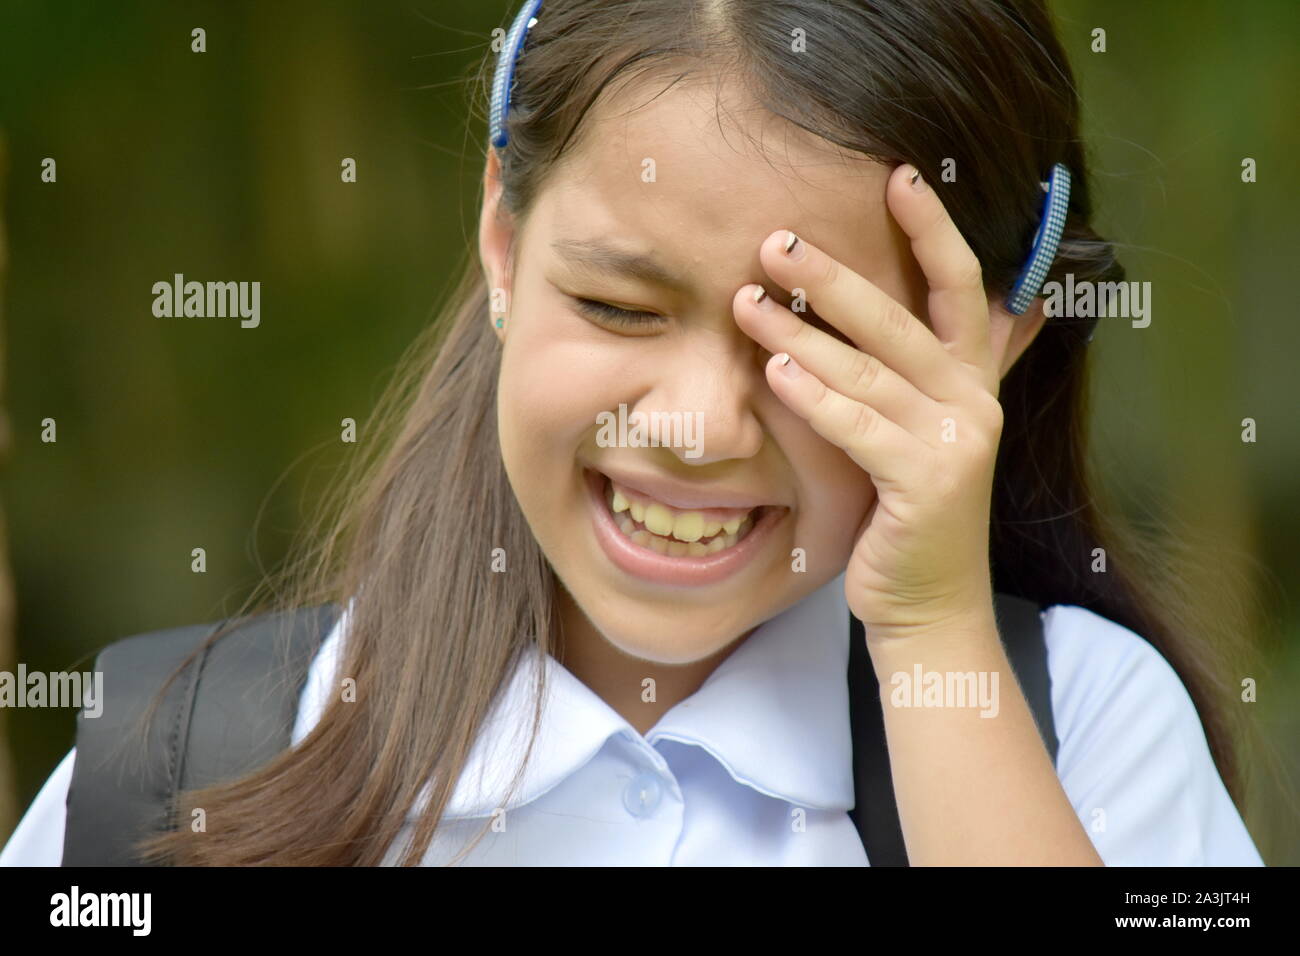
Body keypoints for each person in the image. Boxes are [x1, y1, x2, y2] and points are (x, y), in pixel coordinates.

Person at [2, 0, 1265, 866]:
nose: (694, 426)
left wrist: (933, 636)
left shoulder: (1089, 728)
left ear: (991, 344)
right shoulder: (181, 768)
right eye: (616, 304)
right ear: (501, 235)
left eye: (811, 342)